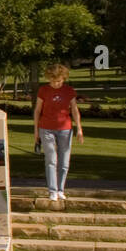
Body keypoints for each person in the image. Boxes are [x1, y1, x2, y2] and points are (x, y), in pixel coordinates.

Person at [34, 63, 84, 202]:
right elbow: (38, 110)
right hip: (46, 128)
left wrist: (79, 128)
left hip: (65, 129)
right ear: (49, 78)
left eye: (59, 81)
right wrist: (36, 131)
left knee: (64, 161)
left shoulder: (69, 91)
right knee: (51, 160)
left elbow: (74, 110)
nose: (56, 84)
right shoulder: (43, 90)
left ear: (63, 78)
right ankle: (52, 190)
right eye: (53, 81)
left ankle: (61, 189)